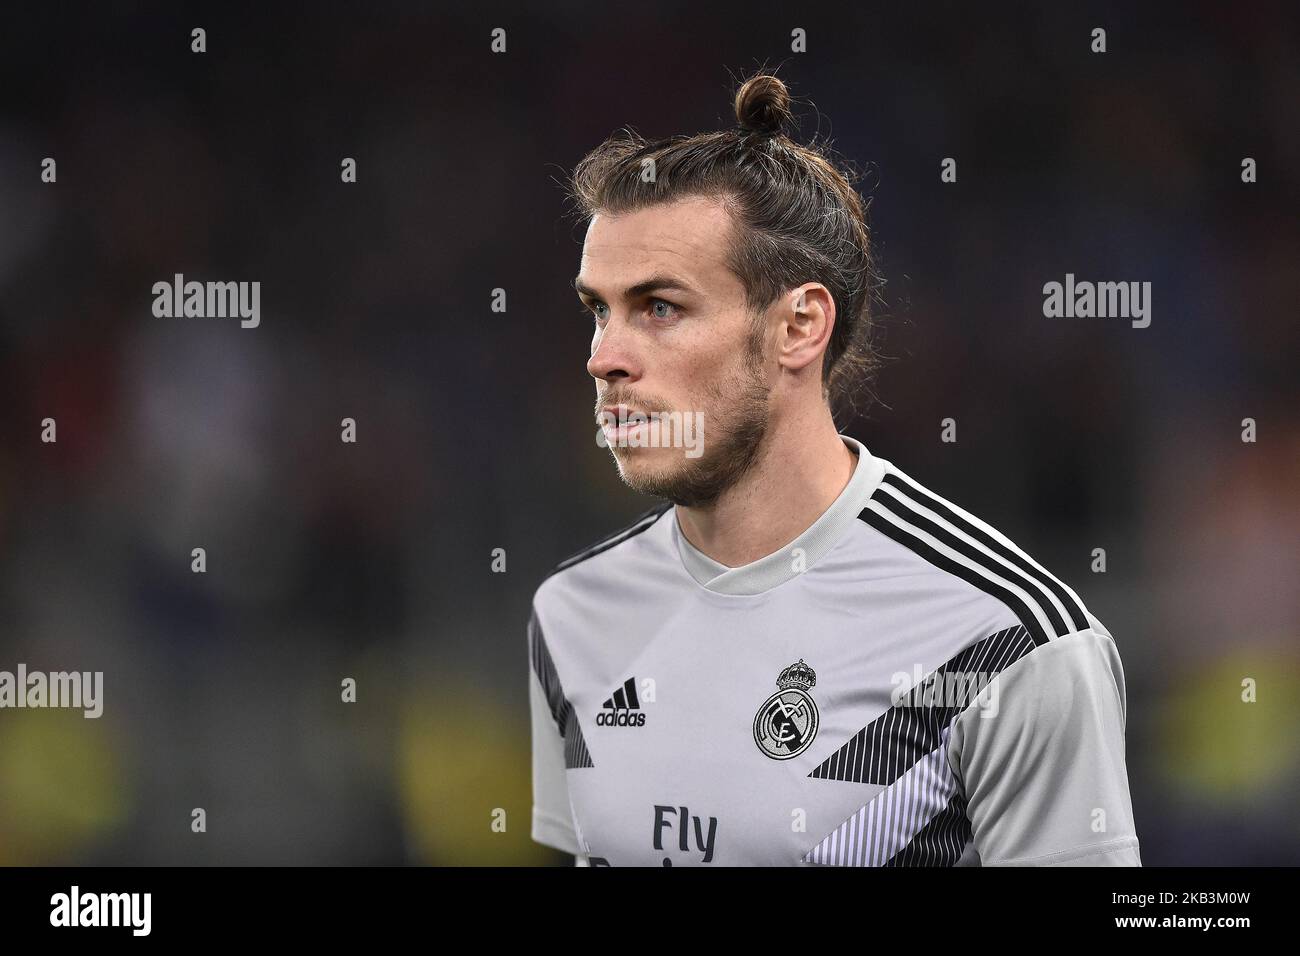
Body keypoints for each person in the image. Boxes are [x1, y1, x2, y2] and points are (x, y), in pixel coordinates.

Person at [528, 72, 1140, 866]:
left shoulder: (1010, 642)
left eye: (661, 308)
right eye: (598, 310)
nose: (604, 358)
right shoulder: (572, 612)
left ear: (799, 326)